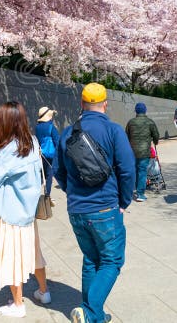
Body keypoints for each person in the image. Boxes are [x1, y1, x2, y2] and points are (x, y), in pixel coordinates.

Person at [54, 83, 136, 323]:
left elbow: (58, 170)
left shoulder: (68, 132)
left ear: (81, 104)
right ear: (105, 104)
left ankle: (96, 316)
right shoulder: (113, 130)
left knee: (91, 259)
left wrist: (71, 191)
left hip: (77, 209)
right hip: (105, 208)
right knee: (112, 261)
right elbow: (127, 169)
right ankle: (89, 313)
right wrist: (124, 200)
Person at [0, 101, 49, 318]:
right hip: (29, 212)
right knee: (34, 253)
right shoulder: (32, 142)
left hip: (10, 214)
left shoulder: (7, 151)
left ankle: (18, 305)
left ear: (6, 122)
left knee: (12, 258)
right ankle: (43, 291)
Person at [125, 102, 159, 203]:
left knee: (134, 170)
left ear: (136, 111)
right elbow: (156, 135)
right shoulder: (150, 122)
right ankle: (140, 194)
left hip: (132, 151)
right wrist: (156, 141)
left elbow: (126, 136)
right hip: (144, 152)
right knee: (142, 171)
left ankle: (132, 190)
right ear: (145, 111)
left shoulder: (131, 122)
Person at [35, 106, 60, 206]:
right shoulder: (51, 127)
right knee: (49, 175)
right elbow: (57, 141)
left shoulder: (37, 127)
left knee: (42, 175)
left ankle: (36, 194)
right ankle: (47, 197)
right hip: (50, 155)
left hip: (41, 154)